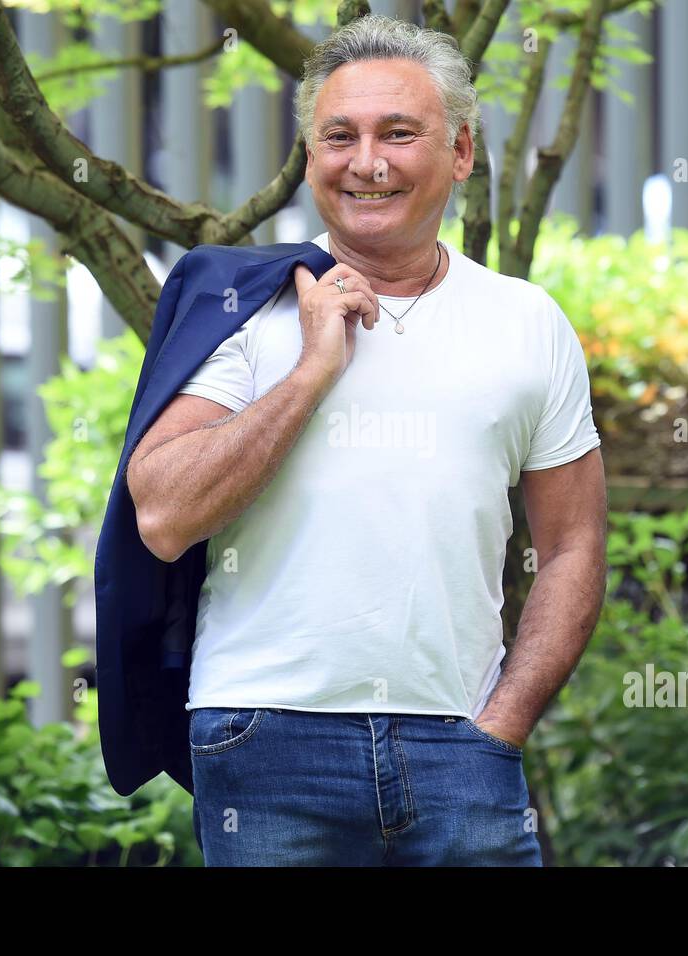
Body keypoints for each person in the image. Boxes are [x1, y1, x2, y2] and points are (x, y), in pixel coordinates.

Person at [126, 15, 607, 866]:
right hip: (267, 742)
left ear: (460, 152)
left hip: (463, 745)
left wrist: (503, 722)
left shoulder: (526, 322)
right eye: (338, 135)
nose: (368, 161)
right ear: (310, 157)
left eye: (399, 133)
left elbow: (572, 546)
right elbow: (163, 513)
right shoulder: (243, 304)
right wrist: (312, 371)